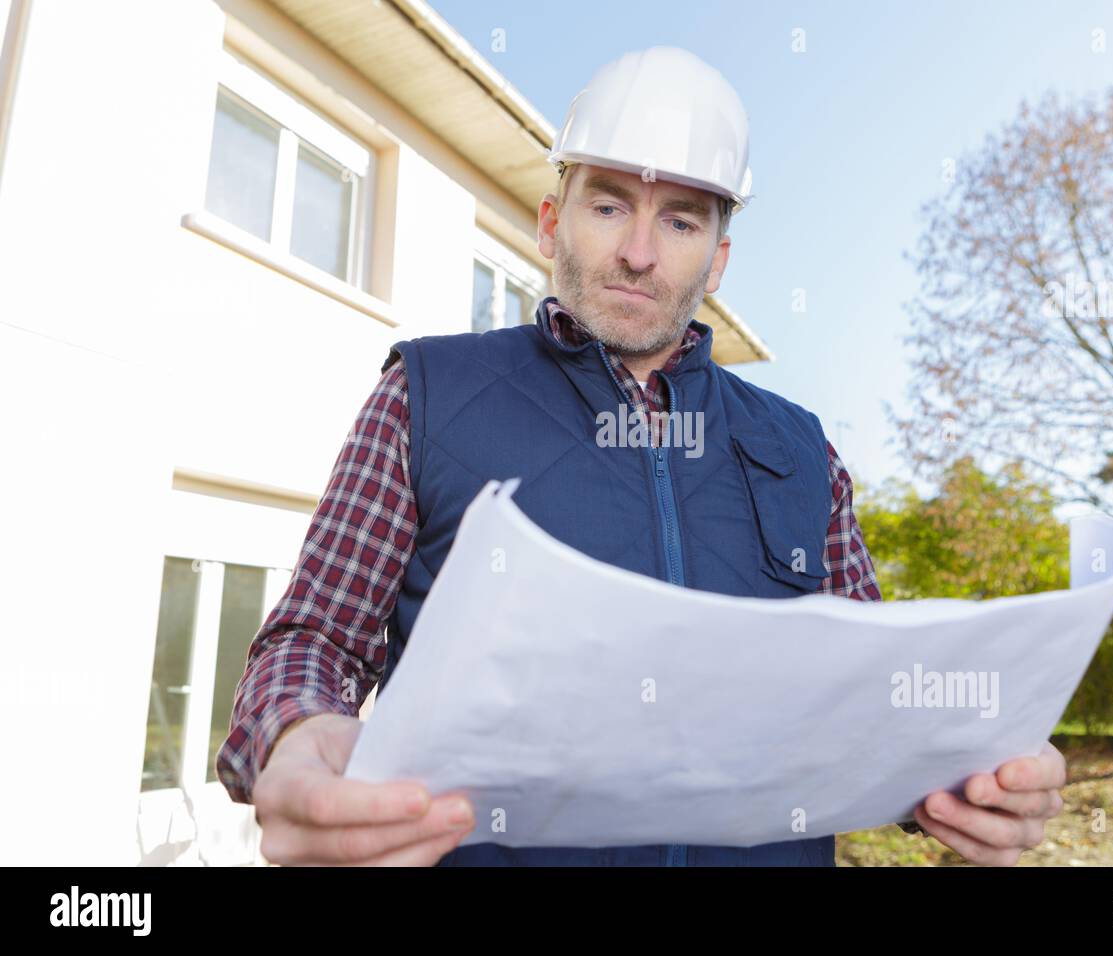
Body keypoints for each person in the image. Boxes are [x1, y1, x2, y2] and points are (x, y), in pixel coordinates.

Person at [216, 46, 1065, 867]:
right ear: (553, 221)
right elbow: (313, 640)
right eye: (609, 205)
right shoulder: (428, 393)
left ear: (719, 259)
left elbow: (875, 701)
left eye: (683, 219)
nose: (640, 252)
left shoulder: (801, 449)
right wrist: (295, 733)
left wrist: (974, 776)